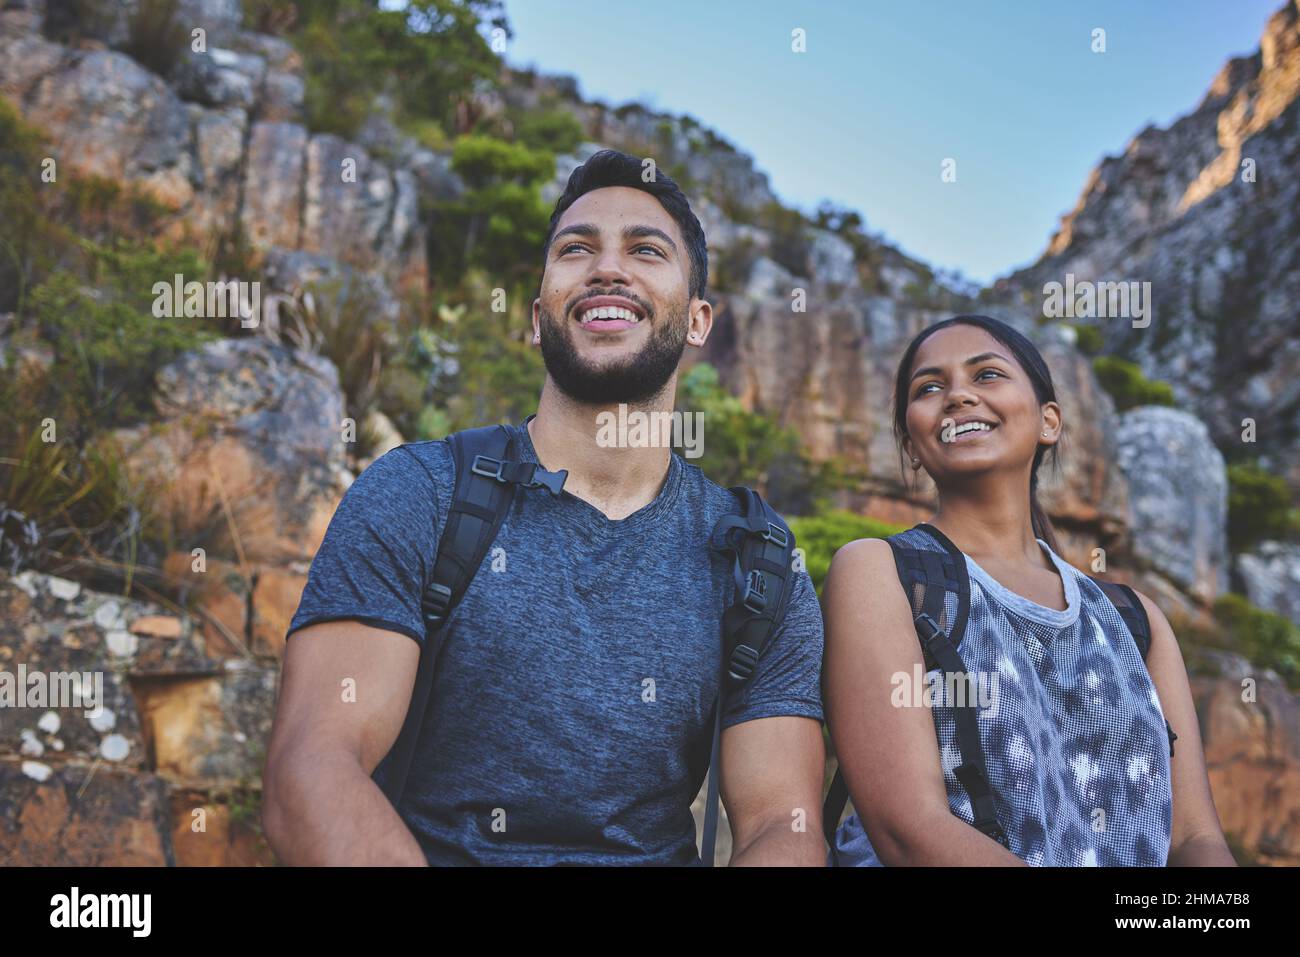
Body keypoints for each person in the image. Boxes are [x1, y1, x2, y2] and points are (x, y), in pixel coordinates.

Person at [262, 149, 827, 866]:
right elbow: (311, 767)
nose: (608, 268)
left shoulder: (757, 559)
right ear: (537, 318)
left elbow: (784, 822)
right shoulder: (421, 493)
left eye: (646, 251)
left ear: (697, 320)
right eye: (576, 249)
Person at [823, 314, 1235, 866]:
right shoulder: (883, 573)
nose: (958, 396)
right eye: (929, 387)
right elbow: (910, 828)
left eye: (987, 375)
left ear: (1049, 421)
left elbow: (1194, 839)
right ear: (912, 444)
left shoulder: (1134, 620)